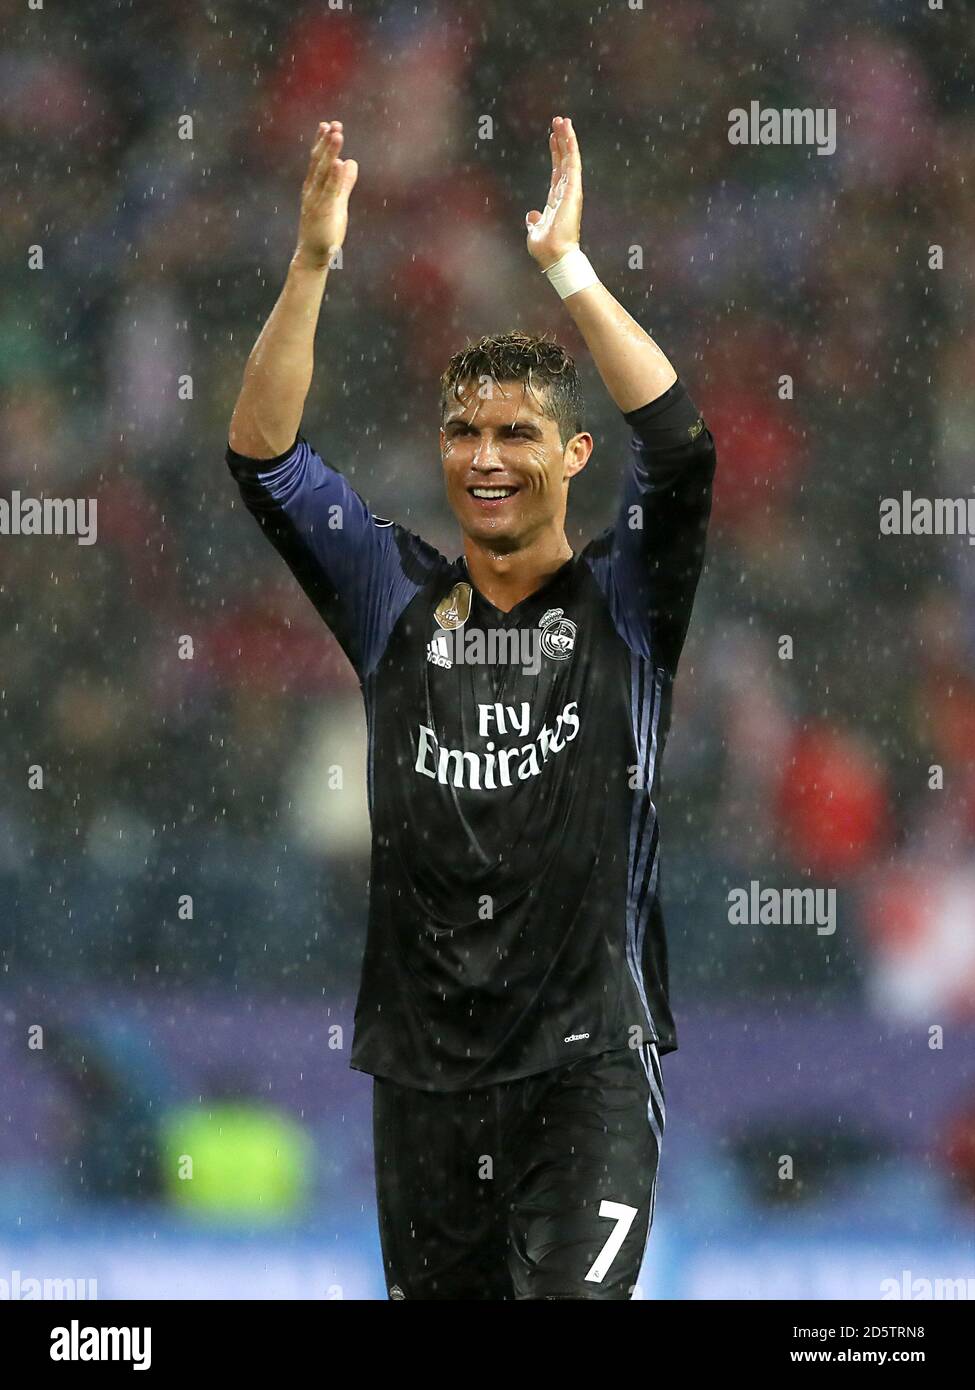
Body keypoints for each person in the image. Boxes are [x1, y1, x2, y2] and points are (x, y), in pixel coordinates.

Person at [226, 116, 716, 1300]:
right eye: (463, 430)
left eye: (517, 432)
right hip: (424, 1071)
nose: (485, 456)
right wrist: (309, 263)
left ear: (574, 452)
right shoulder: (391, 592)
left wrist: (570, 270)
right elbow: (263, 456)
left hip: (588, 1059)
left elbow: (685, 448)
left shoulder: (626, 600)